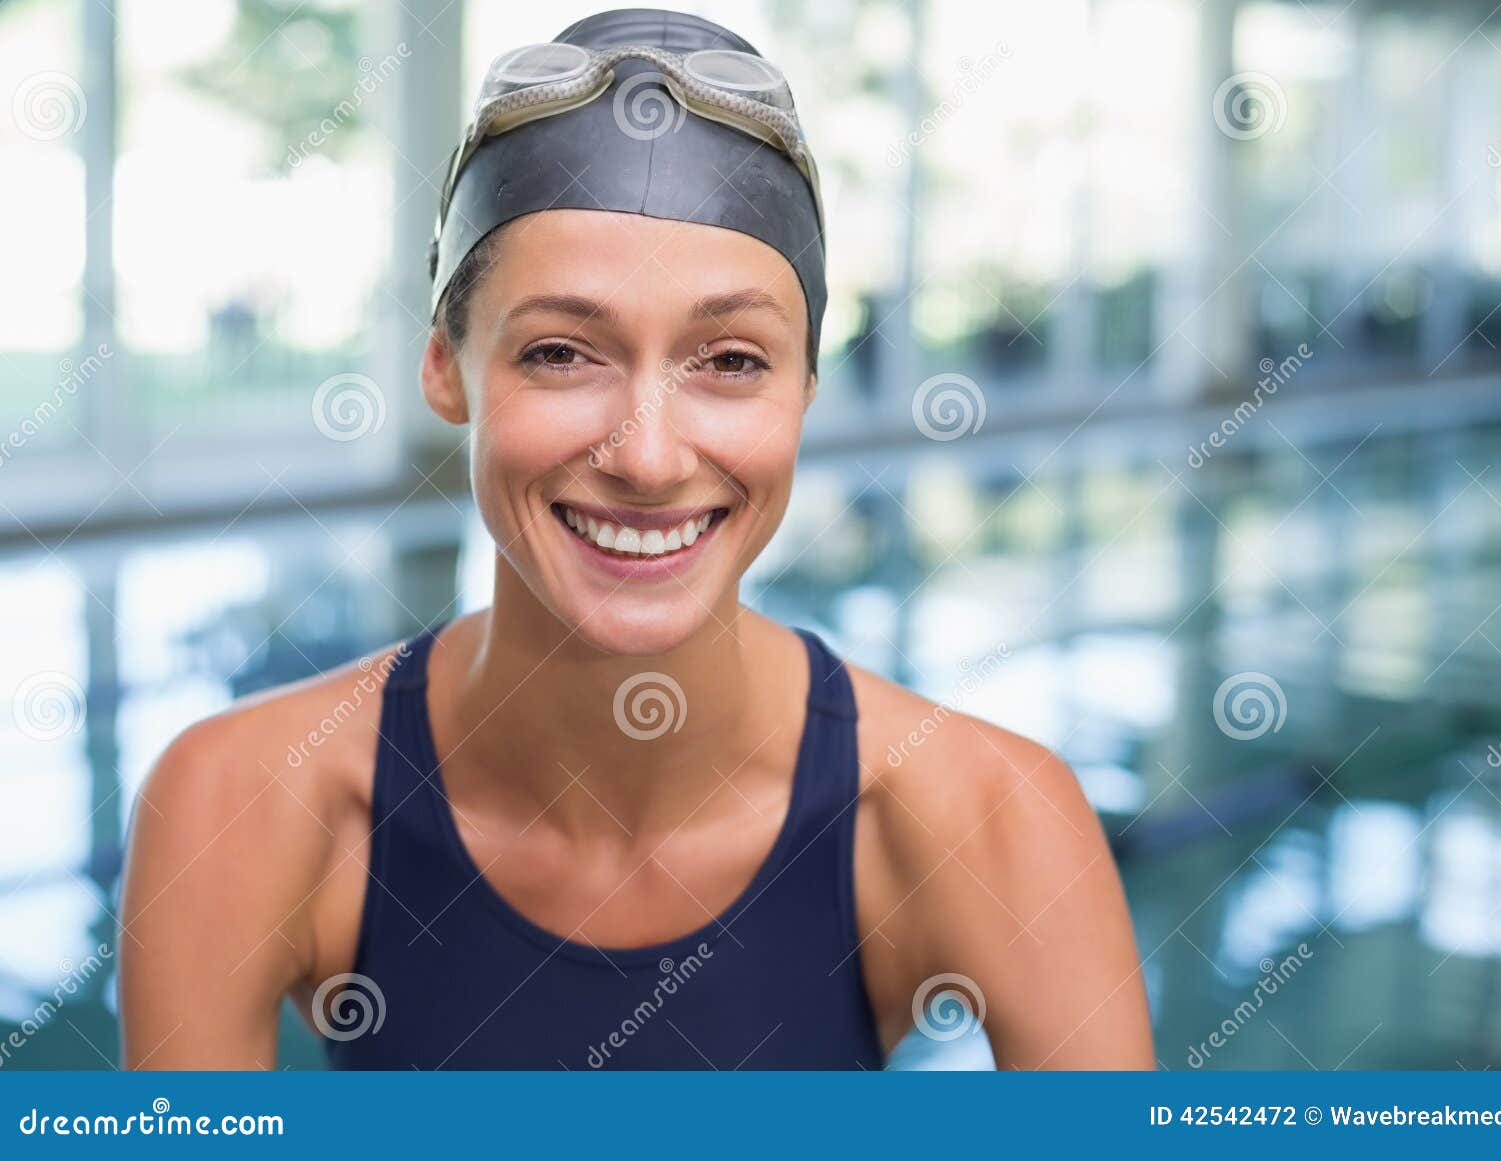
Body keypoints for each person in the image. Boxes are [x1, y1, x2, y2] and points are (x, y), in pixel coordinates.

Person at [118, 8, 1152, 1070]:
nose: (647, 457)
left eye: (731, 360)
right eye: (563, 352)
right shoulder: (243, 802)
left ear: (805, 386)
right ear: (445, 366)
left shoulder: (989, 820)